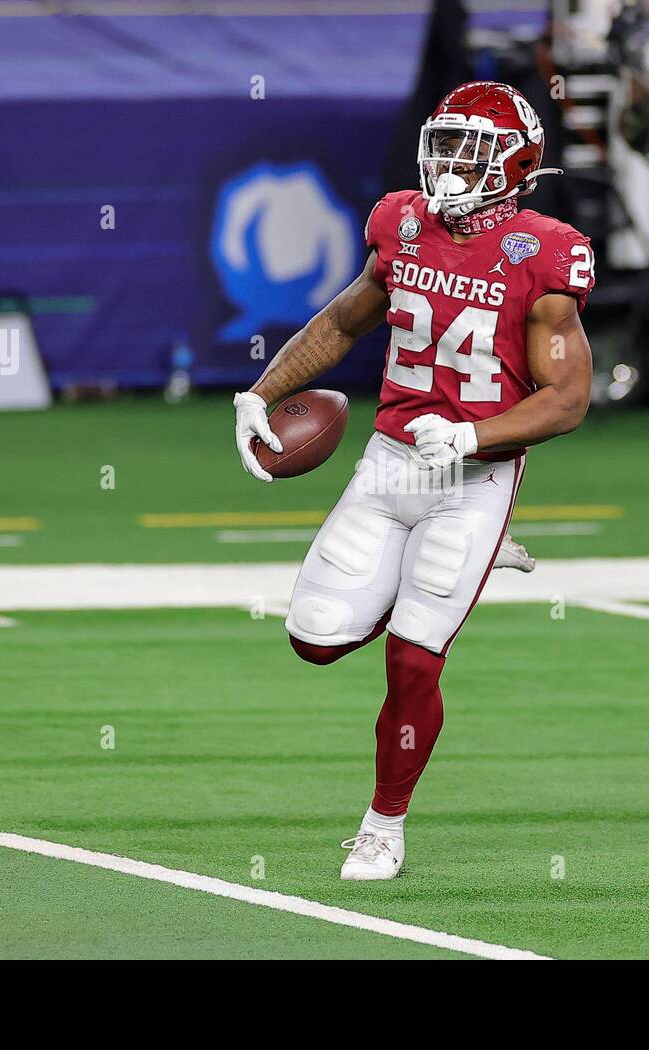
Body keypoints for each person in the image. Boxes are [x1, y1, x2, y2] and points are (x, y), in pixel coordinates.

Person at [232, 82, 594, 878]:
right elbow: (339, 322)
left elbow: (567, 399)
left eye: (472, 147)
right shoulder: (401, 222)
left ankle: (384, 827)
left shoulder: (543, 250)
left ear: (518, 161)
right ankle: (469, 564)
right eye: (444, 142)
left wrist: (473, 434)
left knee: (414, 656)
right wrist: (260, 393)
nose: (449, 162)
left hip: (473, 476)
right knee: (314, 641)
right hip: (388, 463)